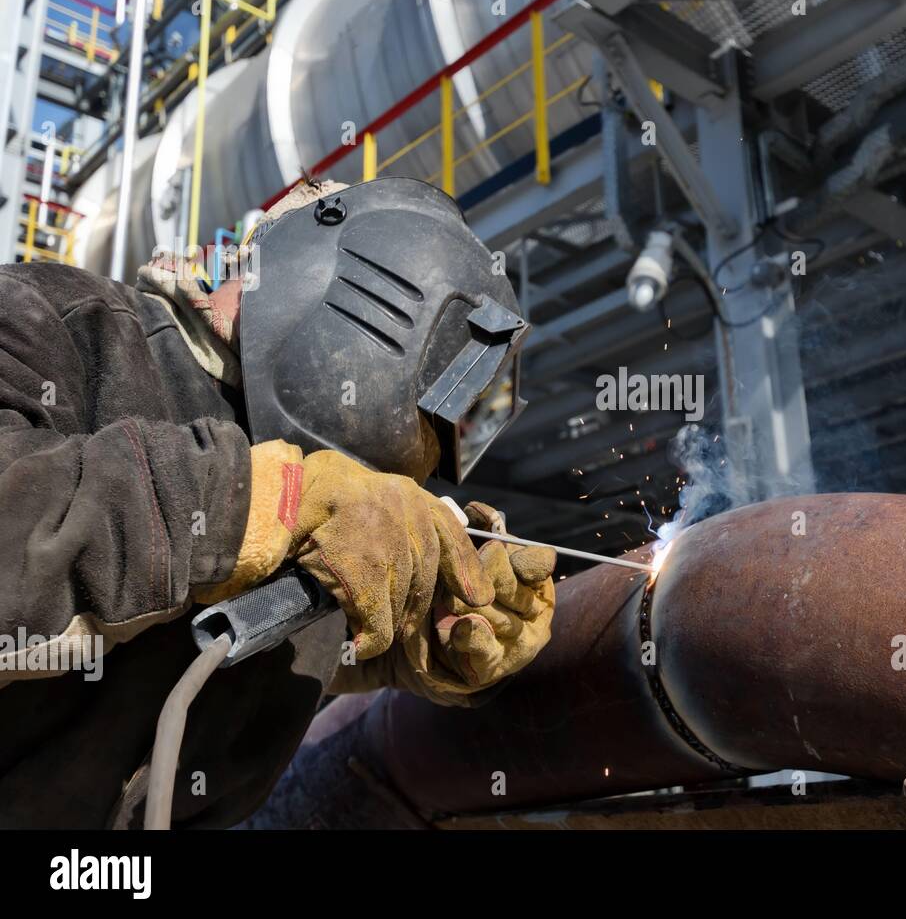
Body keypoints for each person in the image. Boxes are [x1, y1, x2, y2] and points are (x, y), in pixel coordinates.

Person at [0, 177, 554, 828]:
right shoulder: (62, 323)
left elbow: (220, 648)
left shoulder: (338, 519)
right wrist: (261, 506)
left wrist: (414, 638)